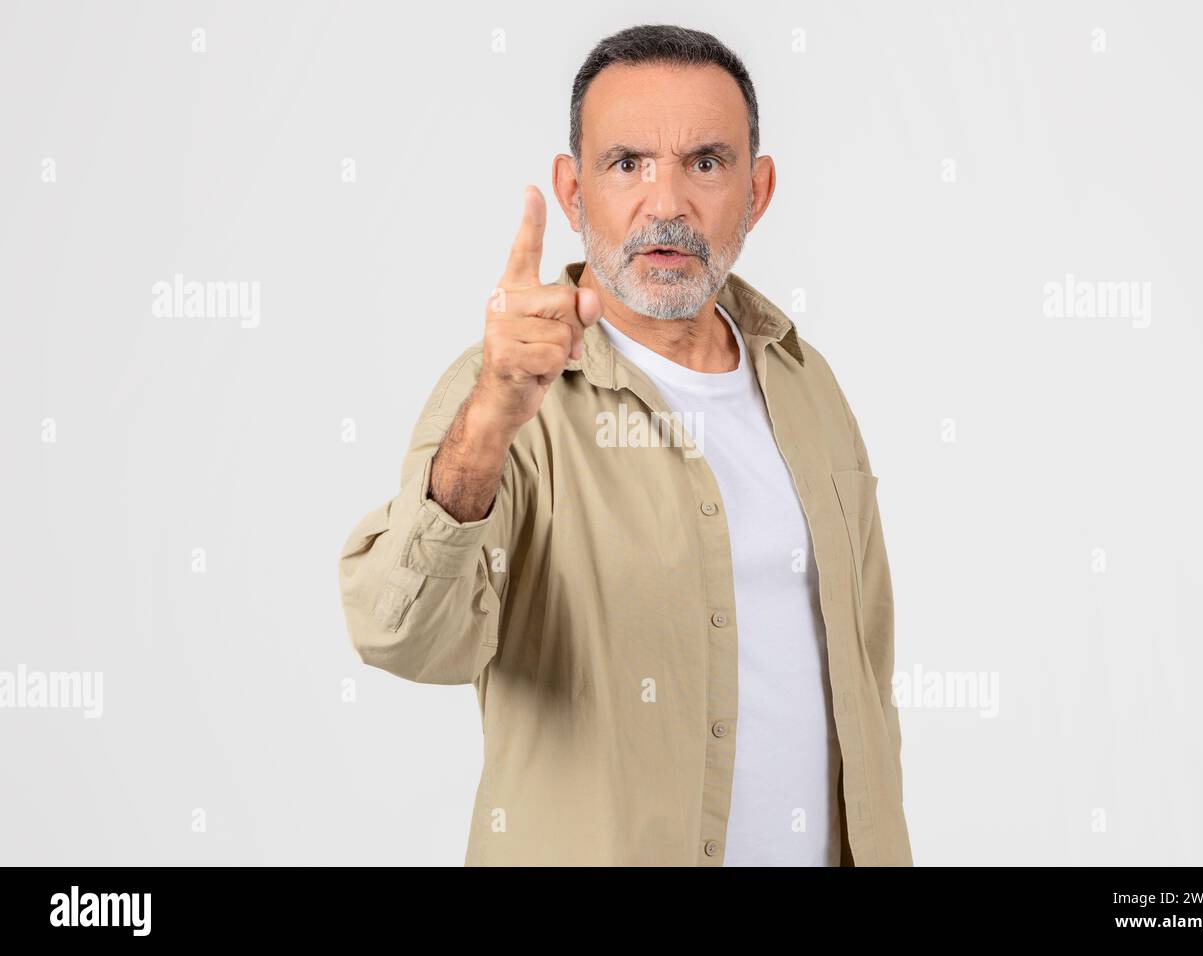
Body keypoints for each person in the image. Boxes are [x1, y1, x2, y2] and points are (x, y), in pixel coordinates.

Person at [338, 24, 912, 866]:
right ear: (573, 193)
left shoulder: (806, 380)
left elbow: (867, 672)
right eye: (627, 163)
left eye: (706, 164)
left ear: (758, 191)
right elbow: (403, 635)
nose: (668, 203)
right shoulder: (503, 393)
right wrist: (492, 419)